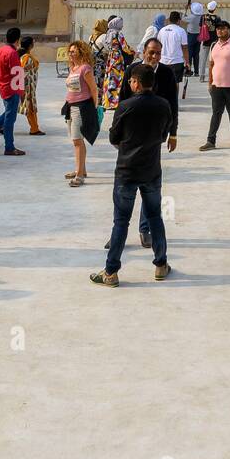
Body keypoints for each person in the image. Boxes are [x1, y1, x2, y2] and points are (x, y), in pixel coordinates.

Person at [90, 63, 173, 288]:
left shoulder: (125, 106)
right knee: (155, 217)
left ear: (136, 82)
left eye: (131, 81)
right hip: (152, 170)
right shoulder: (164, 105)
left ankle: (111, 271)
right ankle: (160, 264)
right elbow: (164, 134)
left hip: (127, 170)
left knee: (121, 222)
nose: (130, 84)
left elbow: (114, 137)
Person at [110, 37, 180, 251]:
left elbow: (173, 105)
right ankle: (117, 235)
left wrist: (173, 133)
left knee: (149, 183)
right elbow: (122, 100)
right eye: (151, 52)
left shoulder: (166, 73)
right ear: (143, 52)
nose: (154, 56)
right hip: (130, 137)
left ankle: (144, 229)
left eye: (158, 53)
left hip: (153, 137)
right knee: (126, 190)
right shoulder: (133, 70)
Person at [200, 19, 230, 150]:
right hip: (216, 86)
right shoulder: (214, 45)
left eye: (223, 28)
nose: (220, 30)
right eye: (218, 29)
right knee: (216, 113)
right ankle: (211, 141)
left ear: (228, 29)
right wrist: (210, 83)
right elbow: (211, 65)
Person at [62, 39, 99, 187]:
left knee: (77, 140)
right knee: (76, 140)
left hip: (82, 107)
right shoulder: (73, 68)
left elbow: (94, 90)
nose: (70, 54)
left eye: (73, 51)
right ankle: (81, 170)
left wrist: (94, 108)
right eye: (69, 51)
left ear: (81, 52)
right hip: (71, 107)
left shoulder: (85, 69)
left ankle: (79, 175)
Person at [0, 26, 26, 157]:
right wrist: (22, 92)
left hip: (3, 86)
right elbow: (17, 74)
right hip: (12, 89)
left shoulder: (0, 50)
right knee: (10, 119)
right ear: (18, 39)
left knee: (7, 114)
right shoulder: (12, 53)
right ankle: (9, 147)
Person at [100, 16, 135, 111]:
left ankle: (107, 102)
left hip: (110, 58)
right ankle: (115, 102)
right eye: (121, 24)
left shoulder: (108, 33)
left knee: (109, 78)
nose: (122, 26)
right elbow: (124, 46)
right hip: (118, 59)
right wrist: (132, 52)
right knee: (118, 80)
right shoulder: (118, 33)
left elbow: (106, 45)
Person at [18, 35, 45, 135]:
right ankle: (34, 128)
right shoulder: (26, 58)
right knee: (30, 108)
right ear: (30, 45)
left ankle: (1, 125)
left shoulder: (25, 56)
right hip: (28, 87)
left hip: (30, 87)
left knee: (23, 108)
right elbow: (21, 72)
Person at [157, 11, 189, 86]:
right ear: (178, 20)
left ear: (169, 20)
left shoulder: (162, 30)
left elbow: (158, 45)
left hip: (163, 61)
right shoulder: (181, 31)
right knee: (175, 83)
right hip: (177, 62)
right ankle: (174, 98)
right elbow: (185, 48)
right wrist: (187, 62)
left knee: (163, 83)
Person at [198, 0, 219, 81]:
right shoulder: (217, 18)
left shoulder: (203, 17)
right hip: (214, 40)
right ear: (214, 9)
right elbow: (218, 29)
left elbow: (200, 27)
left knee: (203, 59)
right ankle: (213, 76)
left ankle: (202, 76)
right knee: (214, 59)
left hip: (205, 39)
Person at [184, 1, 204, 76]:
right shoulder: (201, 17)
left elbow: (183, 18)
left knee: (189, 54)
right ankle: (196, 72)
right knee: (196, 54)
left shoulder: (191, 17)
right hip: (199, 36)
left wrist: (186, 9)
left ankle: (188, 71)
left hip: (191, 36)